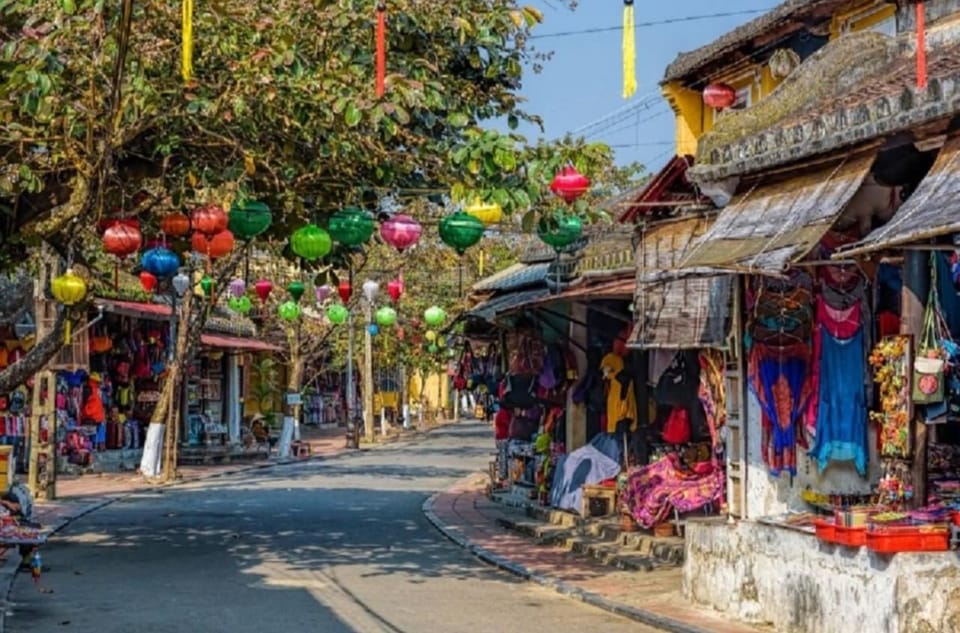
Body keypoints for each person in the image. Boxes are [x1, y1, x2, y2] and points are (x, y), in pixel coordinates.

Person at [0, 482, 38, 571]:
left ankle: (27, 560)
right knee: (26, 531)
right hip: (6, 527)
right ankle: (26, 561)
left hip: (9, 525)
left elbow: (16, 510)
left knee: (28, 529)